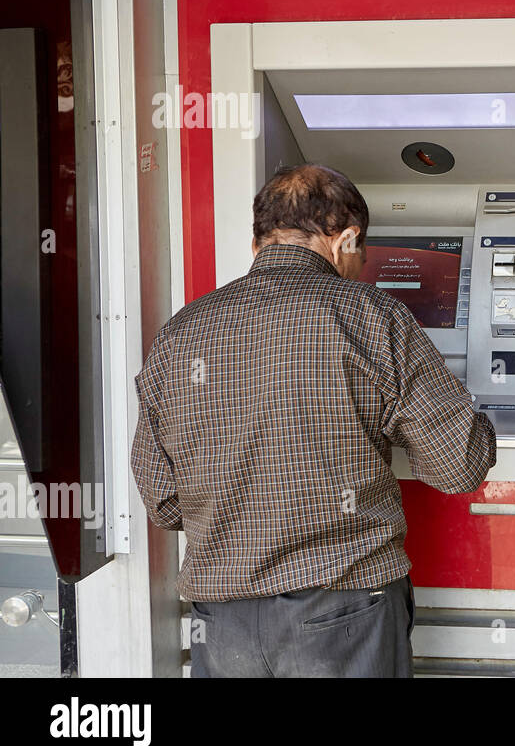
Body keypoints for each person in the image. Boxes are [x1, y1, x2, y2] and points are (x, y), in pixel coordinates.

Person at [130, 163, 496, 677]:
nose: (363, 264)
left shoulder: (180, 333)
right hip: (345, 610)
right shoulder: (376, 317)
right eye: (363, 252)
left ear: (257, 243)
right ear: (346, 238)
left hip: (220, 619)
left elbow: (163, 500)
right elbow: (458, 466)